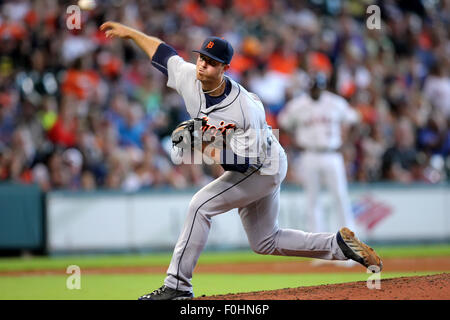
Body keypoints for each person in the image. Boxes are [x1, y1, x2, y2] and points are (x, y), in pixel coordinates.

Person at [99, 21, 382, 300]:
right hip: (258, 160)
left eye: (210, 62)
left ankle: (178, 286)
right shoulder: (190, 77)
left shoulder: (245, 109)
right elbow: (163, 54)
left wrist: (202, 145)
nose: (202, 65)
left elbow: (240, 165)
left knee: (200, 206)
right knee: (265, 241)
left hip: (262, 165)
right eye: (201, 58)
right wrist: (132, 33)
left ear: (225, 68)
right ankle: (338, 245)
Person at [278, 74, 358, 237]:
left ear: (323, 87)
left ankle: (350, 245)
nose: (316, 91)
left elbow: (353, 119)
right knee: (312, 200)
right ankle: (317, 247)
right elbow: (283, 123)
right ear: (309, 88)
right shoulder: (298, 105)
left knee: (340, 198)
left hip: (332, 153)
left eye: (319, 87)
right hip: (309, 154)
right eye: (313, 87)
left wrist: (346, 141)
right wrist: (294, 141)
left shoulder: (335, 102)